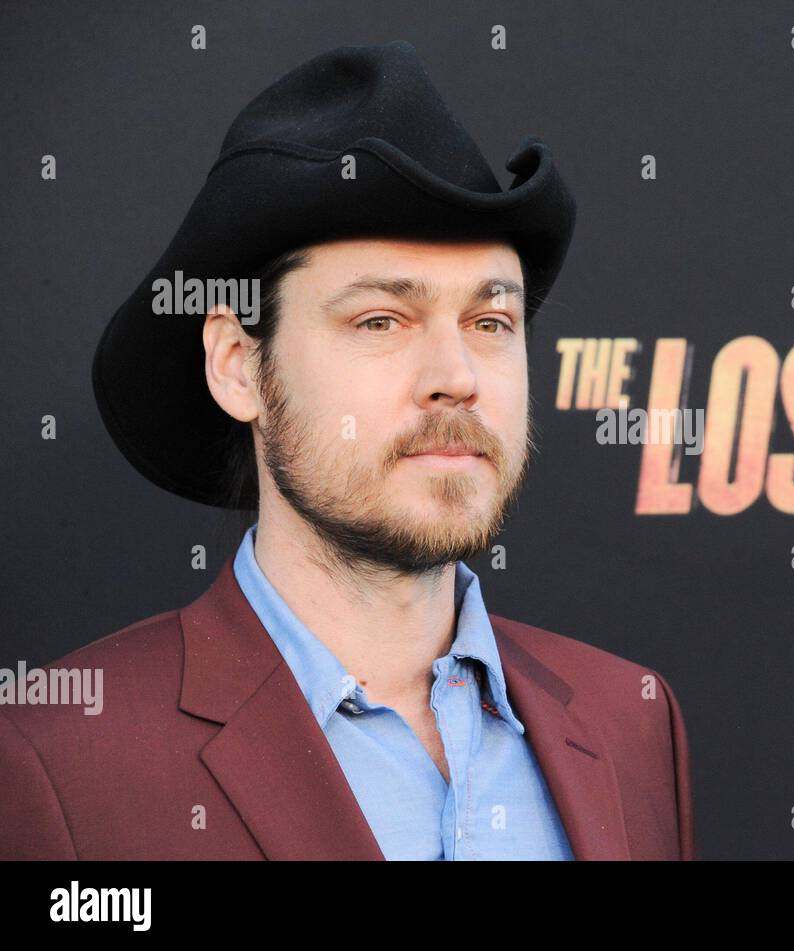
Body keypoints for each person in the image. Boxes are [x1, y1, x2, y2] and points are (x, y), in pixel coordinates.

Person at [0, 41, 696, 861]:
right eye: (380, 321)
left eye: (491, 322)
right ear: (238, 366)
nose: (456, 376)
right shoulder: (59, 763)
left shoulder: (633, 721)